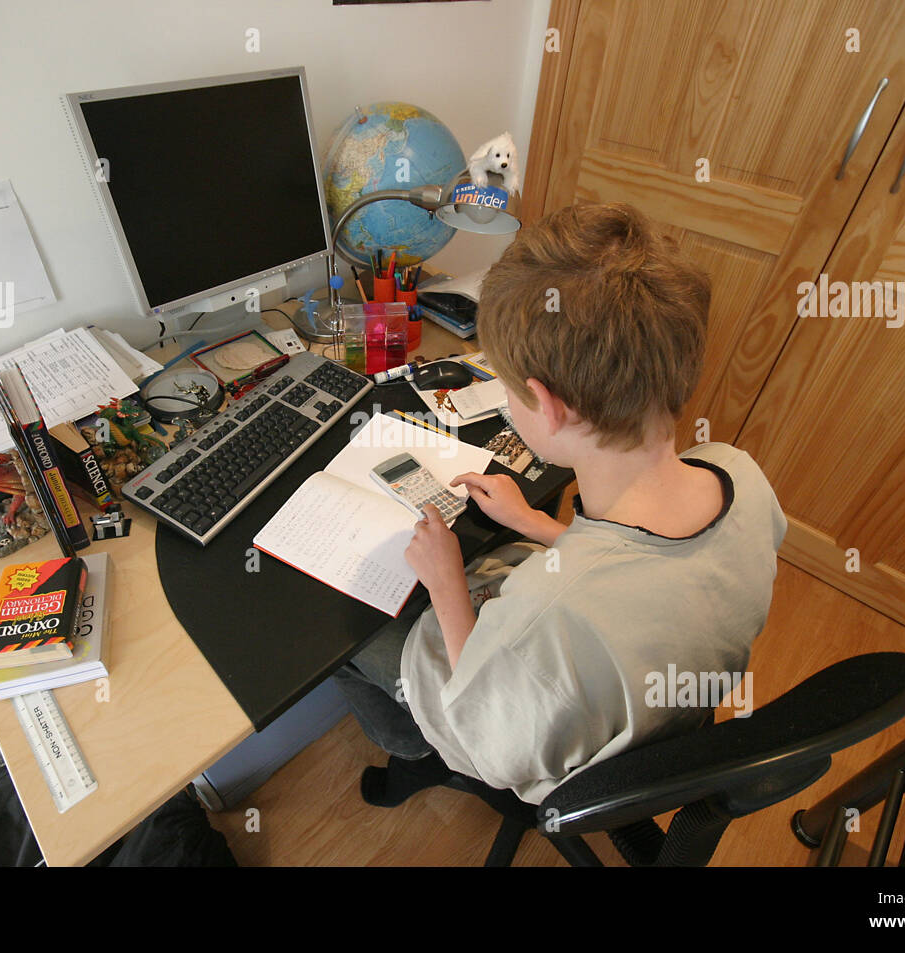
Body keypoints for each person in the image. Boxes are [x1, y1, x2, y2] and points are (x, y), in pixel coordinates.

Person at [333, 201, 788, 808]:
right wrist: (537, 525)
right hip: (657, 709)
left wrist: (445, 585)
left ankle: (413, 748)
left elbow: (490, 740)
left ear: (548, 407)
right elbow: (651, 572)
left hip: (529, 729)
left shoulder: (553, 616)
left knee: (345, 636)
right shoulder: (740, 472)